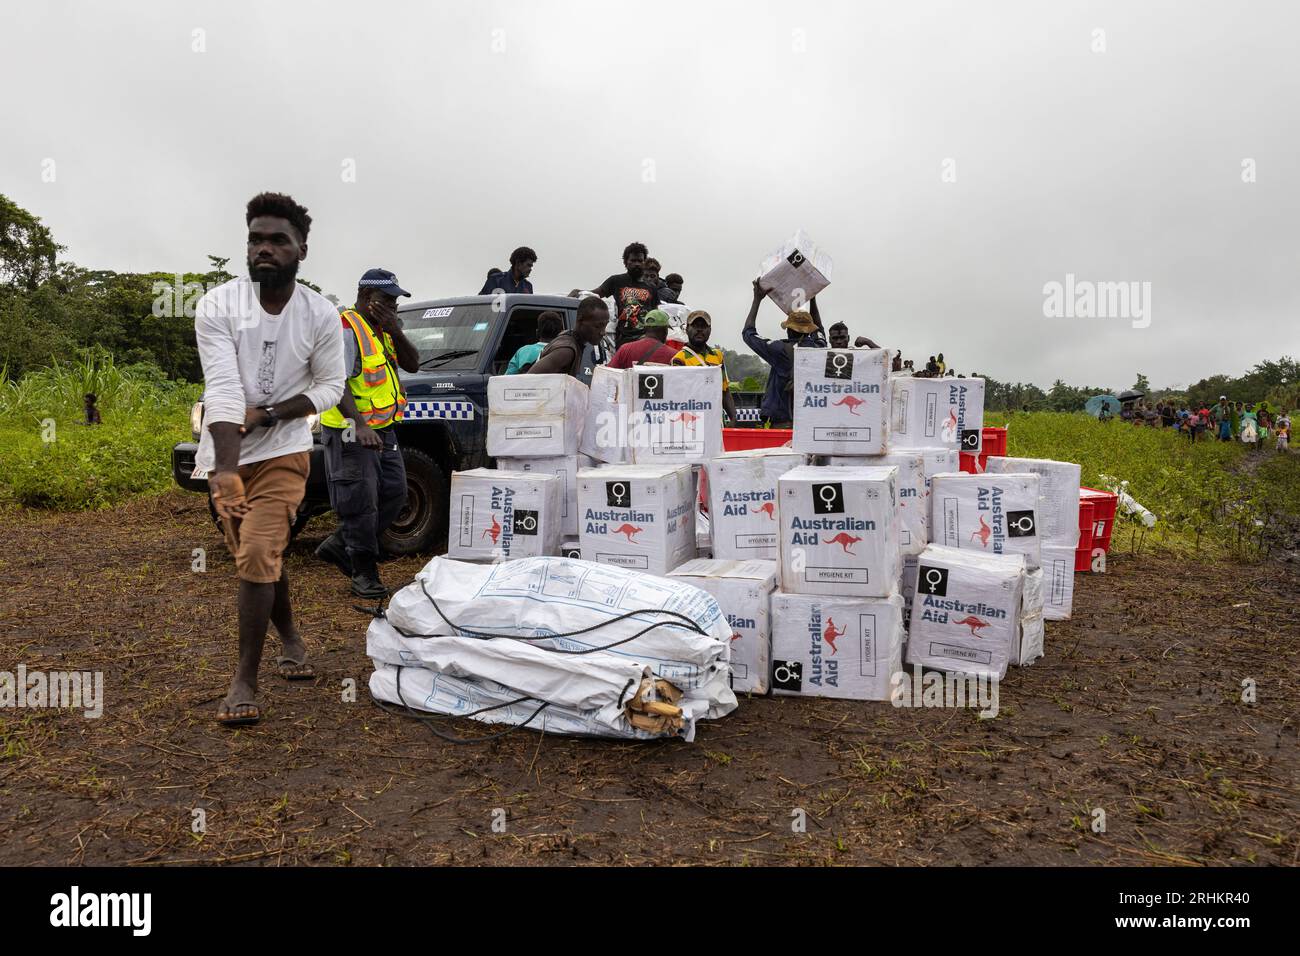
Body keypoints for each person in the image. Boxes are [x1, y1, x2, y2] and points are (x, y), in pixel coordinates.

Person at [194, 192, 345, 727]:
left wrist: (274, 414)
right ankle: (292, 637)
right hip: (227, 452)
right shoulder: (216, 306)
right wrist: (228, 471)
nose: (264, 248)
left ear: (302, 248)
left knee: (258, 552)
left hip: (285, 451)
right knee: (264, 555)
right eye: (256, 239)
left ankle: (243, 679)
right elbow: (224, 389)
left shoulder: (322, 314)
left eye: (277, 240)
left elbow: (331, 387)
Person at [315, 268, 420, 599]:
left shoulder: (383, 331)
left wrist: (395, 330)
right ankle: (364, 573)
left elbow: (414, 364)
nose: (393, 307)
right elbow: (336, 381)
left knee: (395, 492)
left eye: (395, 302)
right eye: (386, 301)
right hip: (350, 431)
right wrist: (358, 424)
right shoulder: (346, 328)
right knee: (361, 504)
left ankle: (340, 544)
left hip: (383, 430)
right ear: (364, 297)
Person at [742, 279, 824, 428]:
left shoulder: (779, 349)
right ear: (810, 330)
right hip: (811, 425)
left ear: (789, 329)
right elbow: (820, 330)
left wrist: (757, 299)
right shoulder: (819, 349)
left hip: (783, 424)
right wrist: (813, 297)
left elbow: (748, 334)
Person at [573, 242, 660, 348]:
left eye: (640, 261)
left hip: (645, 339)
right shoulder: (616, 281)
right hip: (624, 340)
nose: (637, 264)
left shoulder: (652, 287)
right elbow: (596, 294)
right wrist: (579, 292)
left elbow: (656, 314)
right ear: (626, 262)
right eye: (633, 260)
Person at [671, 310, 739, 423]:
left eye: (703, 326)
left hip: (716, 420)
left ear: (710, 330)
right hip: (694, 420)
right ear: (687, 329)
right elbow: (678, 398)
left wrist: (734, 418)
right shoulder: (679, 359)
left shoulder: (717, 355)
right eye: (695, 326)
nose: (699, 330)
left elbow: (725, 391)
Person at [529, 297, 610, 376]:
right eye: (597, 326)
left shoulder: (571, 340)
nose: (603, 332)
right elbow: (527, 380)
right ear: (580, 320)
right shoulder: (566, 350)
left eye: (605, 326)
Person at [607, 309, 680, 368]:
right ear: (664, 331)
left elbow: (609, 375)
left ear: (645, 328)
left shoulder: (625, 349)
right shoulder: (674, 355)